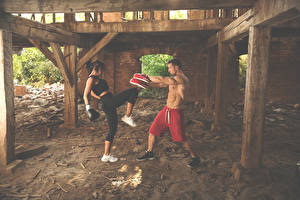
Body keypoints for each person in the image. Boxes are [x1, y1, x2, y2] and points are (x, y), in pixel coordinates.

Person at [136, 59, 200, 168]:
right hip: (166, 110)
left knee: (181, 138)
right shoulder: (174, 80)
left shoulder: (181, 79)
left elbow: (162, 79)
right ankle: (149, 152)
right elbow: (161, 83)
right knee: (152, 130)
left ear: (177, 67)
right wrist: (148, 84)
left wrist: (146, 77)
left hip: (175, 112)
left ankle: (195, 157)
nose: (168, 69)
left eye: (170, 67)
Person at [83, 60, 140, 163]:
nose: (102, 72)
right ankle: (127, 116)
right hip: (108, 101)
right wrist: (88, 108)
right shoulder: (90, 79)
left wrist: (100, 98)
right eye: (101, 70)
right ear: (97, 68)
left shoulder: (95, 79)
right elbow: (85, 94)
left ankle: (106, 155)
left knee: (113, 129)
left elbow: (92, 93)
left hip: (107, 102)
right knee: (133, 91)